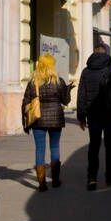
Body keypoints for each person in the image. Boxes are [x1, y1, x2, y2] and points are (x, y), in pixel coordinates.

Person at [76, 41, 111, 191]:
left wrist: (80, 116)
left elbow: (81, 95)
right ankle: (110, 176)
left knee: (94, 145)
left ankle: (92, 178)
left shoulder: (86, 71)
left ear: (94, 53)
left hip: (93, 114)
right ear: (106, 53)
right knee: (110, 145)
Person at [22, 53, 72, 191]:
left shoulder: (33, 82)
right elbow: (65, 101)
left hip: (38, 120)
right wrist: (67, 91)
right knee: (54, 147)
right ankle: (55, 180)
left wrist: (25, 123)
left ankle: (42, 183)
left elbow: (25, 102)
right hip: (55, 118)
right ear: (52, 65)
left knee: (40, 149)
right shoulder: (58, 81)